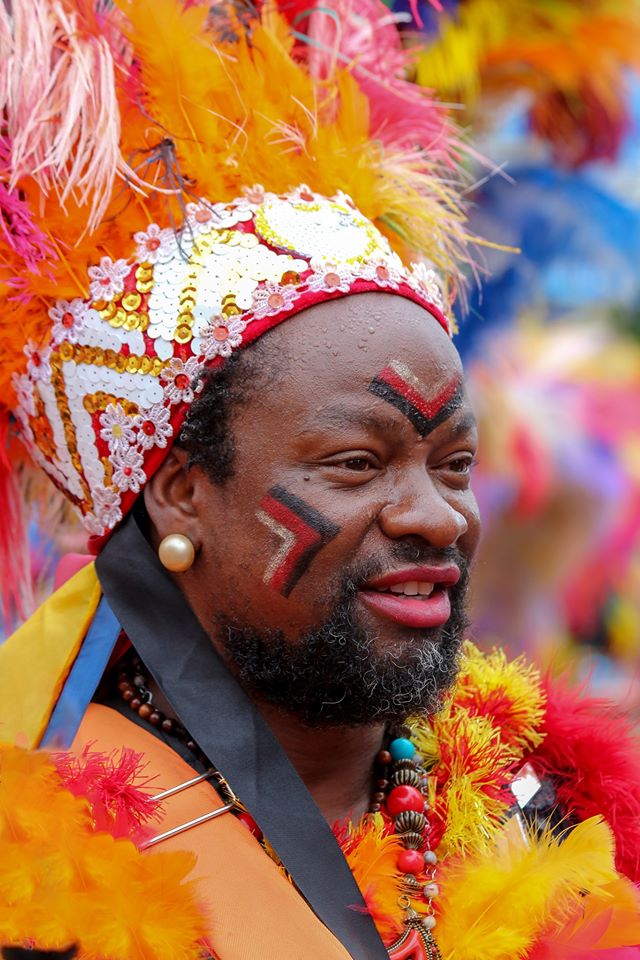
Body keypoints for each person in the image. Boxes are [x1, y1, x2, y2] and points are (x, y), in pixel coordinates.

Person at [0, 2, 639, 958]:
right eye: (356, 462)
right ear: (180, 490)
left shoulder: (535, 793)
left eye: (455, 464)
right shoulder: (40, 856)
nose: (436, 516)